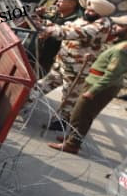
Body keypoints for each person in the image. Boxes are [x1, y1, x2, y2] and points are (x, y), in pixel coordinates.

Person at [50, 16, 127, 155]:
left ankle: (72, 144)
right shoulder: (119, 43)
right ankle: (71, 138)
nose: (115, 27)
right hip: (96, 81)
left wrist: (93, 91)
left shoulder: (122, 48)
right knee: (80, 113)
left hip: (100, 86)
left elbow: (111, 74)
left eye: (120, 26)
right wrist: (93, 58)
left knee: (81, 115)